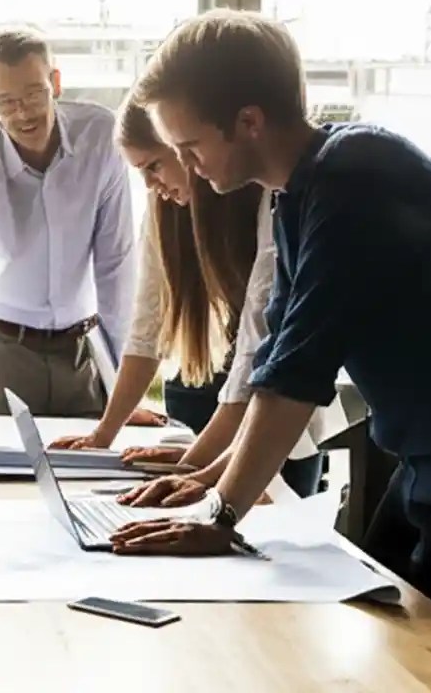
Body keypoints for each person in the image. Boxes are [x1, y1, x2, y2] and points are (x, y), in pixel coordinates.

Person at [106, 9, 431, 664]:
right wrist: (211, 479)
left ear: (248, 121)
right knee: (378, 629)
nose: (183, 168)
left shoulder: (354, 174)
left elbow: (299, 370)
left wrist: (219, 514)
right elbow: (276, 347)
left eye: (189, 148)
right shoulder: (299, 193)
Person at [52, 98, 327, 498]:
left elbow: (256, 343)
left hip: (279, 417)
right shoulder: (164, 210)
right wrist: (103, 435)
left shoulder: (270, 198)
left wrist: (192, 466)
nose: (150, 185)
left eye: (154, 165)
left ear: (182, 145)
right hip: (230, 403)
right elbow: (146, 328)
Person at [0, 22, 138, 445]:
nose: (23, 113)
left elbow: (116, 268)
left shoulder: (102, 137)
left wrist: (125, 390)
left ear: (55, 82)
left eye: (33, 94)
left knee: (97, 480)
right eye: (6, 102)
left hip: (81, 357)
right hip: (1, 356)